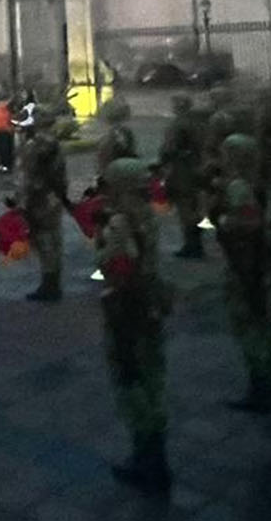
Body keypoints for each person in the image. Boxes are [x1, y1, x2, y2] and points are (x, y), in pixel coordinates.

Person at [98, 157, 172, 496]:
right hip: (150, 307)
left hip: (128, 311)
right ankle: (156, 456)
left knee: (131, 383)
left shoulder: (120, 224)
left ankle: (147, 459)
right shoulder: (146, 217)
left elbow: (118, 269)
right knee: (152, 379)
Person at [215, 133, 271, 413]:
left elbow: (245, 223)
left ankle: (261, 386)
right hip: (255, 265)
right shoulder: (251, 182)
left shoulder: (239, 187)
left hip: (245, 266)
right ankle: (267, 384)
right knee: (262, 323)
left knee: (250, 325)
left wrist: (222, 220)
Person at [10, 133, 66, 302]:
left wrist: (21, 202)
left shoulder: (34, 146)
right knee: (54, 241)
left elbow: (28, 178)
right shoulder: (55, 144)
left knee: (44, 244)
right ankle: (53, 283)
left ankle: (49, 286)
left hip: (39, 201)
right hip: (53, 199)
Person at [159, 96, 207, 259]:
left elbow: (168, 149)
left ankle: (192, 245)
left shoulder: (178, 125)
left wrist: (162, 164)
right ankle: (197, 243)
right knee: (195, 206)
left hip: (182, 171)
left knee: (185, 209)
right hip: (198, 167)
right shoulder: (199, 123)